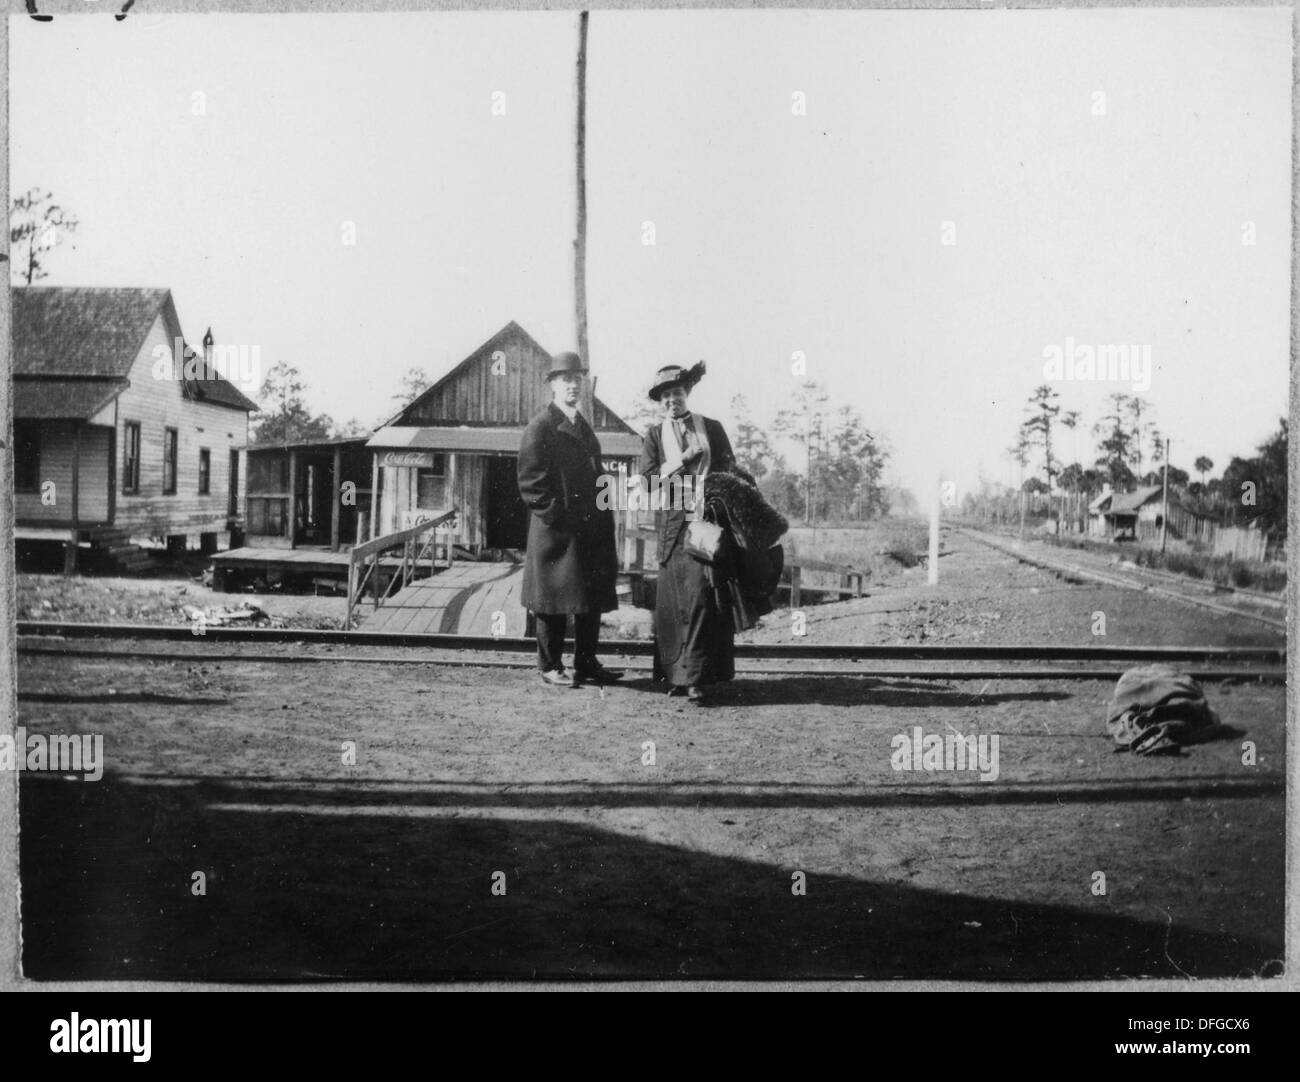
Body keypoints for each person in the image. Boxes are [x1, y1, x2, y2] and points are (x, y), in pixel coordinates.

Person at [517, 351, 623, 687]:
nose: (572, 385)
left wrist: (606, 510)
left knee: (588, 600)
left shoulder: (582, 425)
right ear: (552, 385)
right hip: (558, 533)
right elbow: (531, 483)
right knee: (552, 601)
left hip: (590, 530)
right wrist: (558, 518)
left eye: (577, 379)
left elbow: (597, 474)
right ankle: (550, 666)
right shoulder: (542, 426)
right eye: (565, 379)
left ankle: (586, 663)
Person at [639, 362, 737, 705]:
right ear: (659, 401)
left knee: (700, 599)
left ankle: (696, 678)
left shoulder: (711, 427)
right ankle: (674, 676)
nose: (671, 400)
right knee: (672, 605)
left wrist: (718, 500)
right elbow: (649, 481)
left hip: (706, 526)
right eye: (665, 396)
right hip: (673, 530)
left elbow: (730, 471)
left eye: (677, 393)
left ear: (687, 394)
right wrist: (681, 458)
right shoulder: (653, 436)